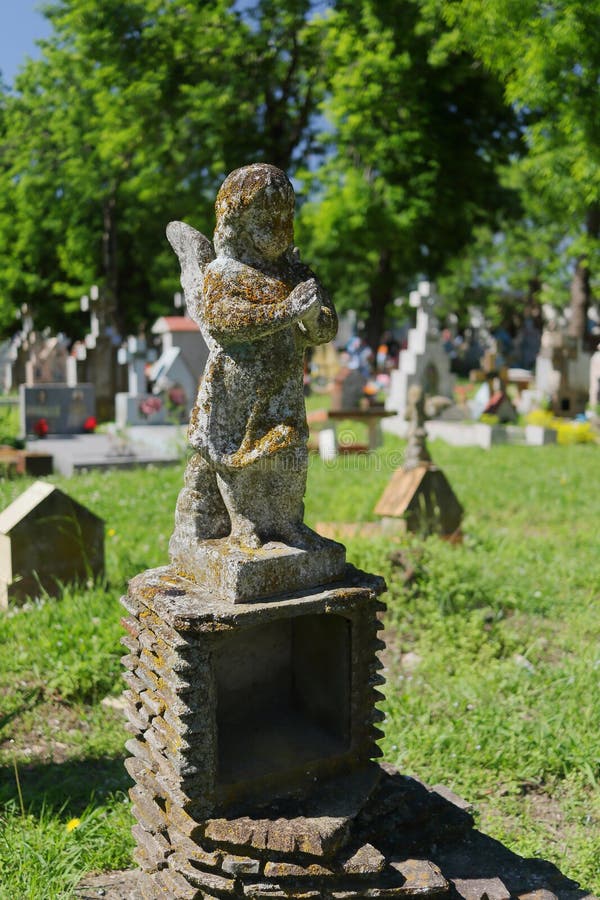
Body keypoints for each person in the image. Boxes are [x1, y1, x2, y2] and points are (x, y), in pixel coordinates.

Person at [167, 164, 338, 556]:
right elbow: (224, 321)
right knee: (239, 459)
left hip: (283, 389)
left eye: (286, 217)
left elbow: (325, 329)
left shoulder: (294, 273)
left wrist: (312, 316)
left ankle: (287, 521)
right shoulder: (225, 273)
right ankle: (243, 526)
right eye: (267, 218)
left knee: (290, 452)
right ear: (237, 220)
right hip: (235, 391)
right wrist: (286, 311)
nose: (280, 227)